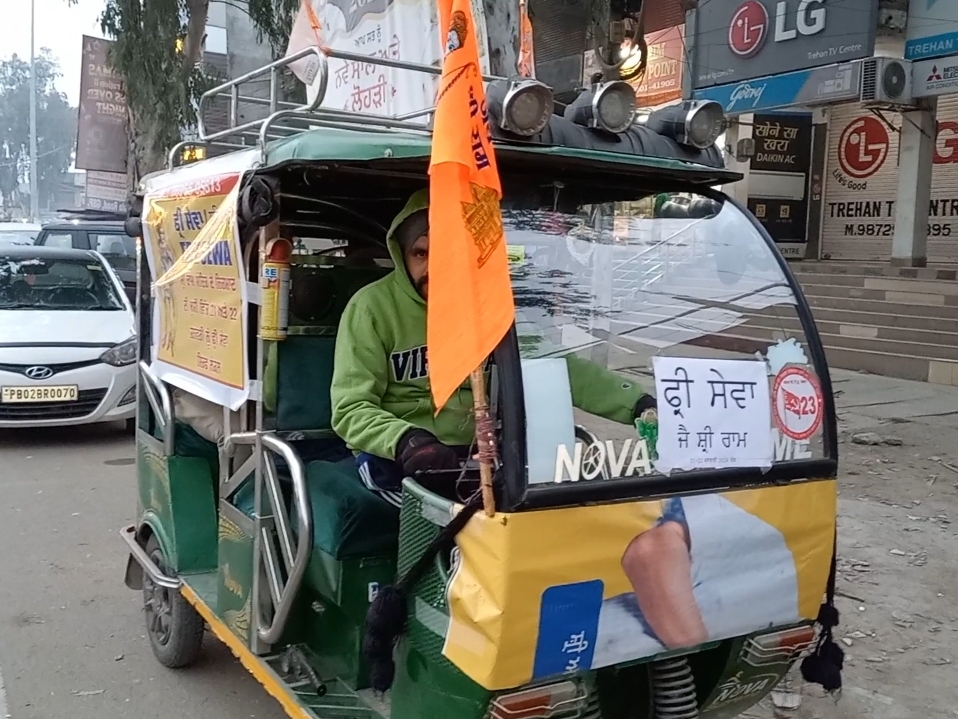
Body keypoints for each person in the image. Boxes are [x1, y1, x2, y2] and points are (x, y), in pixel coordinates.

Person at [330, 190, 656, 506]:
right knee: (451, 526)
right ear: (402, 255)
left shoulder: (491, 304)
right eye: (420, 253)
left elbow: (558, 367)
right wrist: (407, 441)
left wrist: (639, 404)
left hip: (483, 454)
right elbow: (350, 410)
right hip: (399, 457)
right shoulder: (371, 309)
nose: (432, 267)